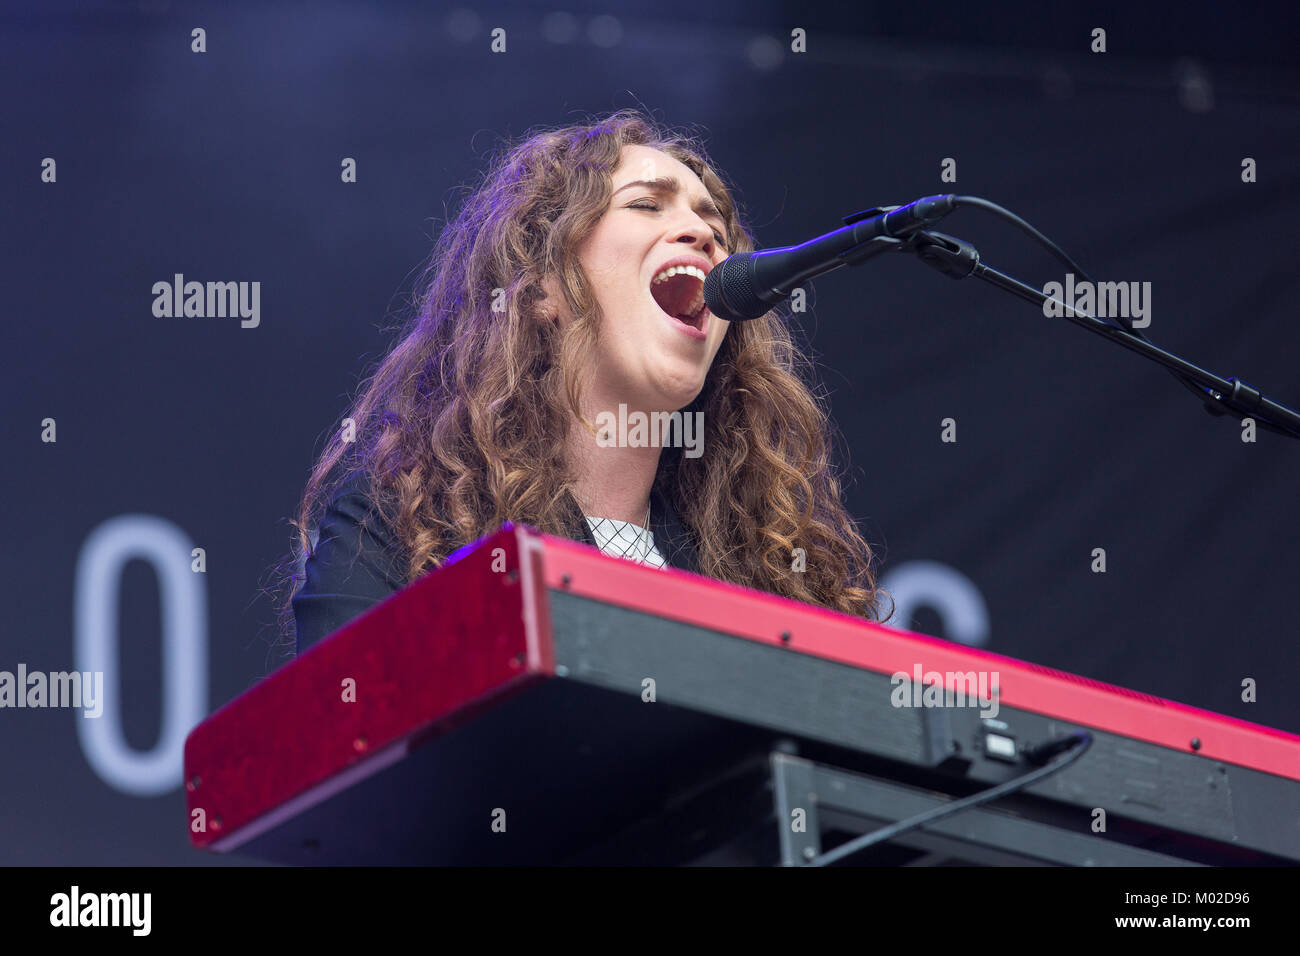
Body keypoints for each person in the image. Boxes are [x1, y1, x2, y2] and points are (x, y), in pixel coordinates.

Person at [273, 110, 888, 658]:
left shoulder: (762, 569)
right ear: (543, 287)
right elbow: (346, 745)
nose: (703, 234)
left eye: (715, 228)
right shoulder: (396, 528)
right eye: (647, 205)